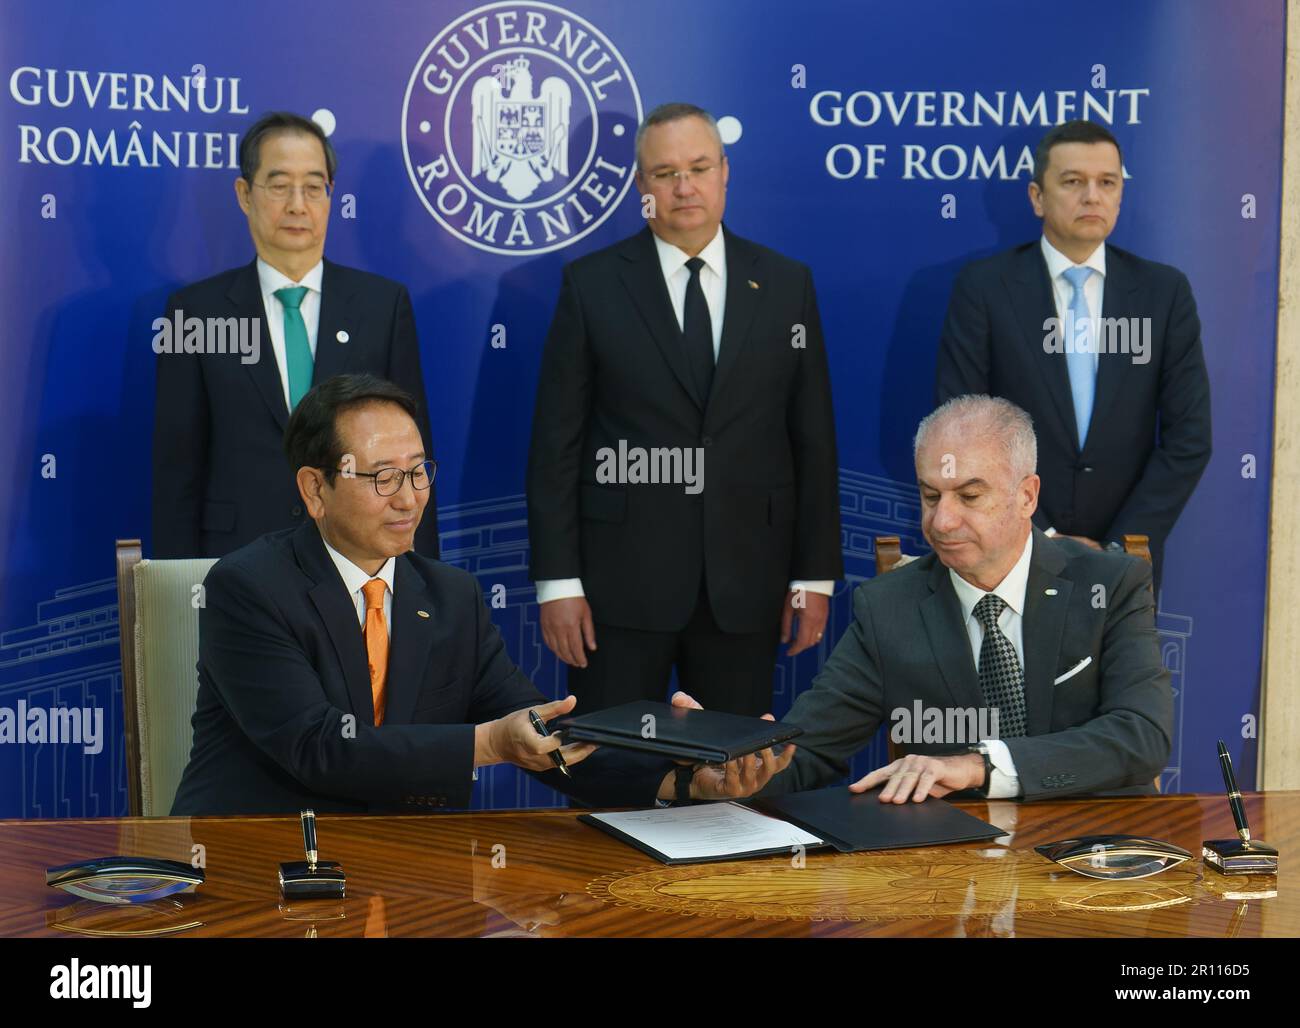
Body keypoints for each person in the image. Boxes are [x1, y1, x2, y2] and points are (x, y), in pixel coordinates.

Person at [170, 374, 791, 815]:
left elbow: (541, 731)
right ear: (314, 489)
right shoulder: (248, 587)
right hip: (260, 856)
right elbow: (319, 746)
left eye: (418, 472)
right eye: (383, 477)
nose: (409, 497)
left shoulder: (451, 597)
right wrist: (487, 742)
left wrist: (681, 783)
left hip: (413, 873)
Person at [676, 395, 1172, 802]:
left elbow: (1141, 734)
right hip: (953, 863)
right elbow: (808, 750)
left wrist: (978, 766)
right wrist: (731, 772)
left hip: (1100, 848)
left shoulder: (1111, 585)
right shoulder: (887, 606)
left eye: (969, 496)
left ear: (1027, 495)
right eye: (931, 496)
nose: (942, 521)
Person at [527, 102, 842, 717]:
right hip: (619, 588)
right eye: (664, 172)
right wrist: (558, 584)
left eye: (699, 166)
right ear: (641, 185)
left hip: (747, 583)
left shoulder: (786, 285)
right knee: (609, 769)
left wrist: (813, 578)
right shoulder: (591, 286)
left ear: (725, 172)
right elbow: (555, 445)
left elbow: (813, 439)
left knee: (730, 777)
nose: (684, 185)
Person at [935, 119, 1211, 595]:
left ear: (1121, 195)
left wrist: (1121, 545)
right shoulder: (984, 289)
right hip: (1006, 552)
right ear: (1037, 197)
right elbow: (964, 428)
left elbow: (1189, 438)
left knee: (1119, 673)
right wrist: (1042, 537)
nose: (1092, 196)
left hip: (1125, 561)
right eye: (1073, 182)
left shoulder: (1164, 293)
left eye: (1107, 183)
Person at [152, 111, 437, 559]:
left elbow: (412, 461)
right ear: (245, 194)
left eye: (313, 186)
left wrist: (422, 582)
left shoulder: (382, 306)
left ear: (330, 196)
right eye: (280, 185)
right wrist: (178, 591)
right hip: (236, 562)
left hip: (357, 558)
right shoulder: (195, 312)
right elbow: (177, 471)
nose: (297, 205)